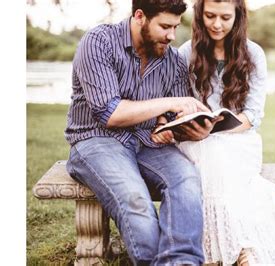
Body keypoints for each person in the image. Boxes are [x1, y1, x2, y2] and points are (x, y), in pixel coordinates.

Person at [64, 0, 218, 264]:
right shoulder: (99, 41)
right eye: (165, 26)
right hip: (96, 140)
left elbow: (172, 116)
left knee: (186, 179)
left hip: (149, 142)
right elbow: (109, 113)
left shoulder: (172, 61)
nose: (172, 35)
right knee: (135, 200)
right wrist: (169, 104)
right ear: (139, 16)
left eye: (175, 27)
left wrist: (191, 129)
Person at [152, 0, 275, 264]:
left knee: (220, 155)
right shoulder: (186, 52)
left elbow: (254, 114)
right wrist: (185, 122)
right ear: (200, 15)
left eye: (225, 17)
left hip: (240, 140)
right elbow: (176, 102)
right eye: (210, 16)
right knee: (213, 155)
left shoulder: (253, 54)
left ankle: (219, 252)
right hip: (195, 140)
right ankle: (242, 250)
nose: (217, 24)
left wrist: (221, 127)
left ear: (238, 17)